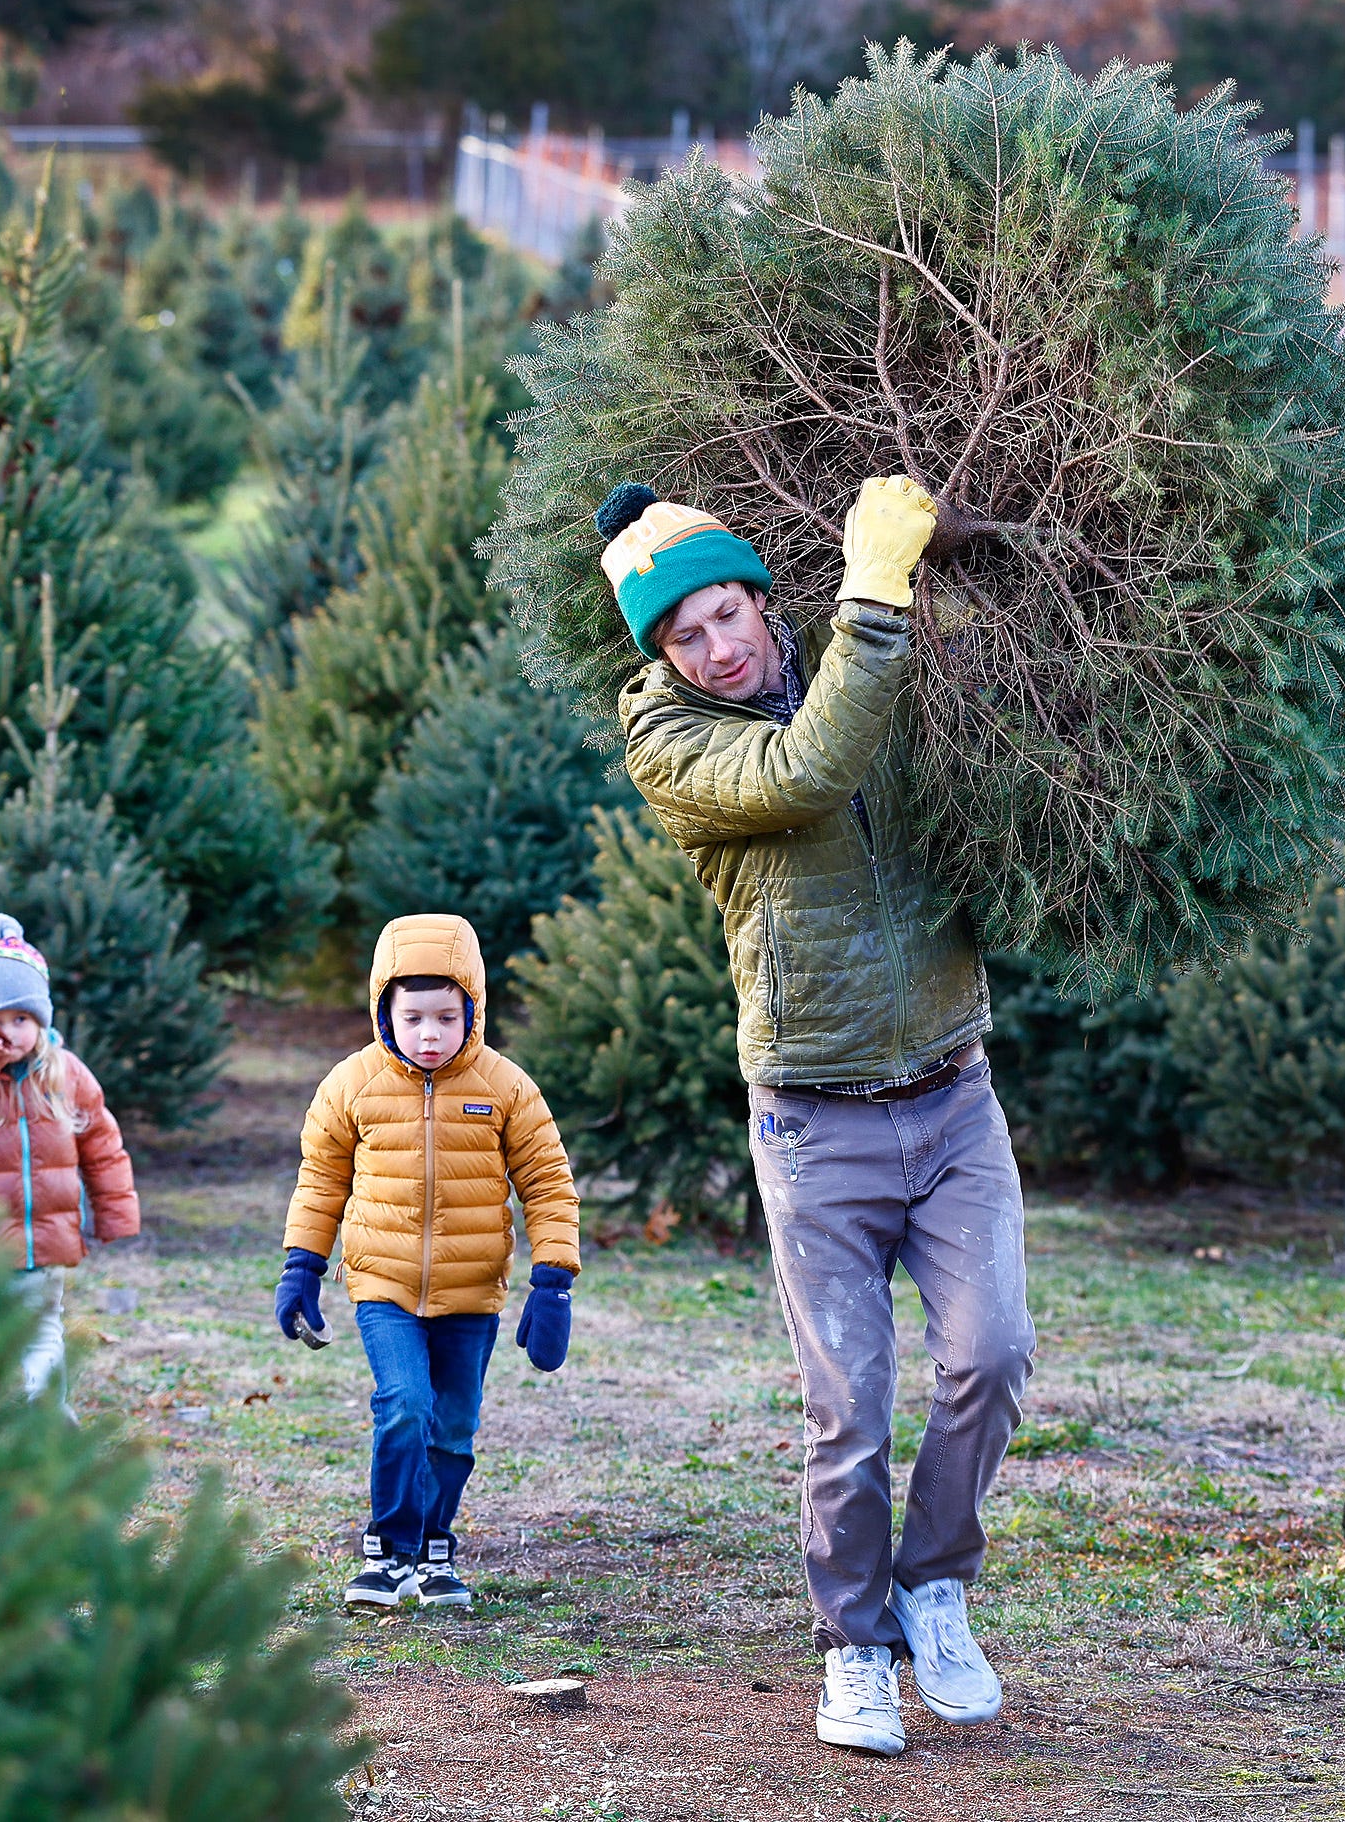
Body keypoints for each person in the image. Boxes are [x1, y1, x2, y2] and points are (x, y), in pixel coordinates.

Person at [599, 475, 1034, 1756]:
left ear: (760, 602)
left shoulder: (863, 652)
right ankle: (854, 1646)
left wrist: (947, 559)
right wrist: (878, 594)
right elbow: (813, 763)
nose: (718, 647)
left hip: (954, 1094)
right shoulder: (672, 745)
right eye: (687, 635)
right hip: (815, 1120)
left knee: (992, 1356)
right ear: (661, 655)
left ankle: (934, 1582)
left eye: (729, 614)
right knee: (849, 1408)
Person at [275, 912, 584, 1611]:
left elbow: (547, 1181)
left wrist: (554, 1280)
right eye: (413, 1016)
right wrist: (303, 1266)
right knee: (404, 1406)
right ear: (385, 1009)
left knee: (454, 1427)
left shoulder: (505, 1086)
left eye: (447, 1016)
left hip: (472, 1292)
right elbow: (320, 1180)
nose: (430, 1034)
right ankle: (388, 1549)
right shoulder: (351, 1084)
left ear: (471, 1009)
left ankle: (435, 1544)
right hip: (382, 1286)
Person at [0, 913, 140, 1414]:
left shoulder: (63, 1072)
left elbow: (103, 1144)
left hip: (43, 1244)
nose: (12, 1033)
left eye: (23, 1019)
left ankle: (47, 1422)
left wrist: (115, 1212)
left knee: (42, 1335)